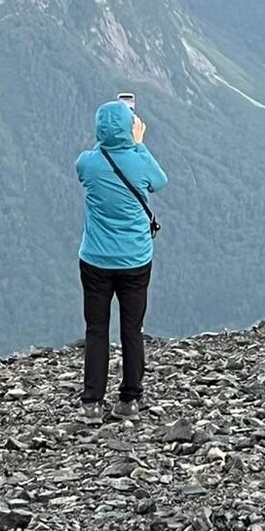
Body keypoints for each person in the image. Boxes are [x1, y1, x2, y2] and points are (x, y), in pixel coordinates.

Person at [75, 100, 168, 423]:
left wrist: (110, 138)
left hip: (95, 260)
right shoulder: (141, 163)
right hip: (134, 260)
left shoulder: (88, 163)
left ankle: (91, 404)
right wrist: (138, 144)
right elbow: (160, 181)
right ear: (132, 128)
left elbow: (89, 163)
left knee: (96, 329)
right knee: (132, 328)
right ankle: (129, 398)